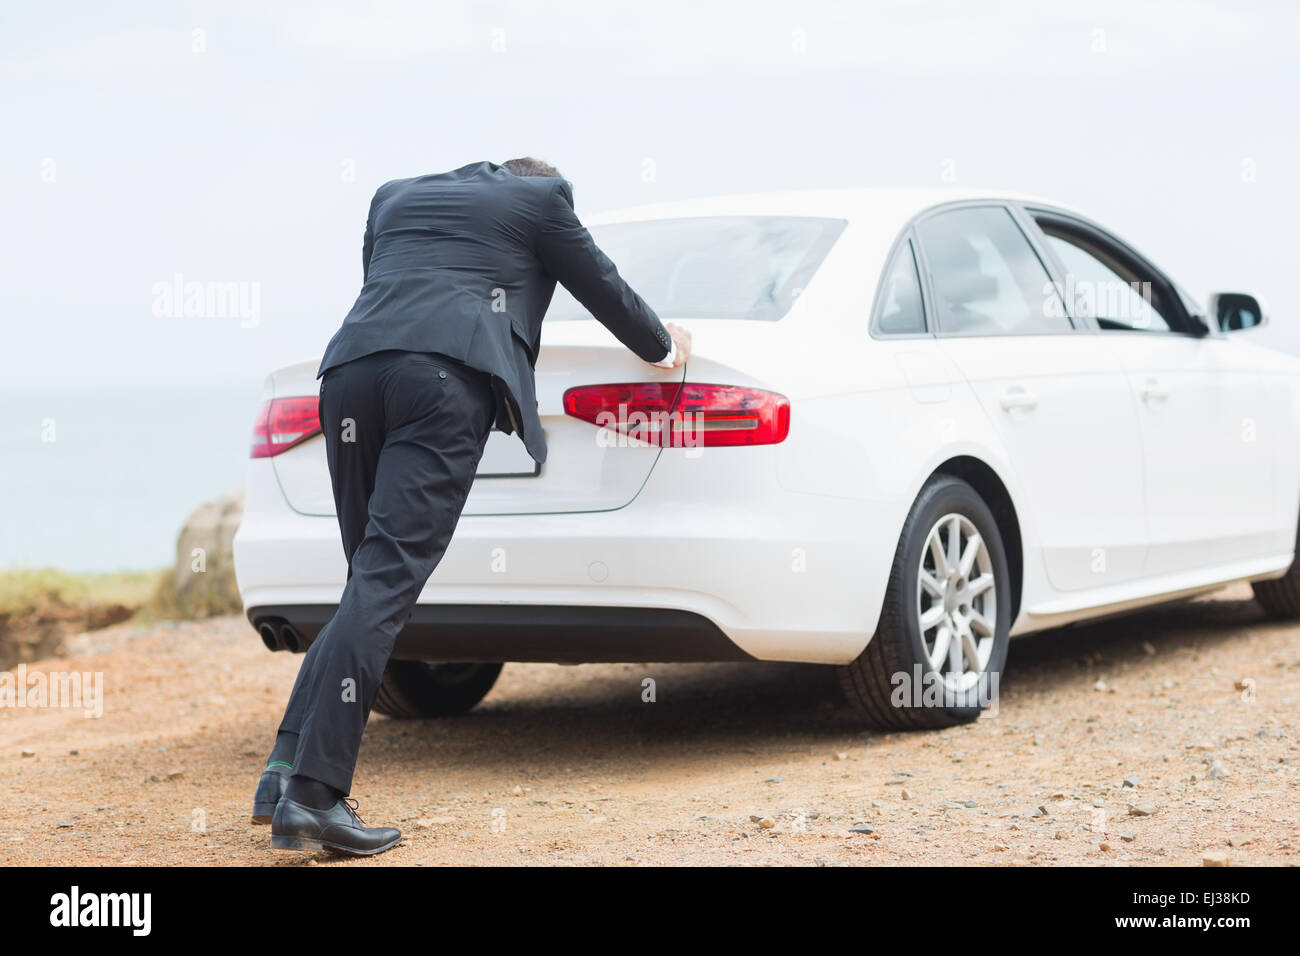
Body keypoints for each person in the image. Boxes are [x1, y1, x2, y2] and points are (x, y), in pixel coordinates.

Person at [251, 157, 691, 856]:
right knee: (384, 582)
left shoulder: (394, 196)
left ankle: (282, 776)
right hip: (441, 381)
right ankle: (314, 795)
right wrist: (664, 346)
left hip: (347, 379)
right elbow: (602, 285)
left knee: (367, 579)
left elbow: (385, 288)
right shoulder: (543, 199)